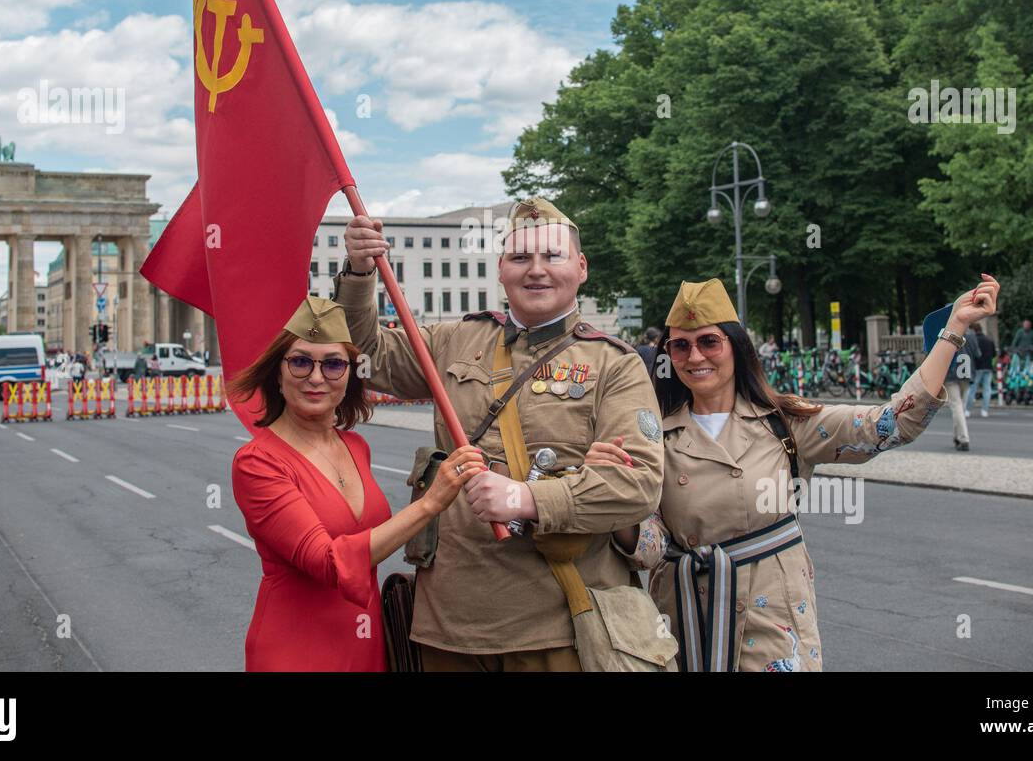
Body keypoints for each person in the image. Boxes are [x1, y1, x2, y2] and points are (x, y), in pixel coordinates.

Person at [587, 274, 999, 671]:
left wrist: (953, 330)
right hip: (684, 619)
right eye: (680, 346)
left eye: (709, 341)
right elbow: (650, 547)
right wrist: (614, 501)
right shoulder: (653, 435)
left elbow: (889, 425)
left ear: (736, 347)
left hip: (772, 626)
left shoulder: (786, 422)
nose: (695, 357)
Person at [336, 198, 665, 671]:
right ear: (500, 269)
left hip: (558, 627)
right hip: (451, 624)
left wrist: (525, 499)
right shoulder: (454, 341)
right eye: (520, 257)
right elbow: (363, 353)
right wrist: (360, 273)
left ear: (581, 266)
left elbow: (637, 487)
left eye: (551, 256)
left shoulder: (616, 364)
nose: (536, 270)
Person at [228, 297, 485, 671]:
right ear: (277, 375)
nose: (316, 377)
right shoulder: (258, 462)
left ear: (350, 375)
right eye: (300, 361)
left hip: (366, 643)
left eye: (333, 364)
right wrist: (429, 504)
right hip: (295, 650)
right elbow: (330, 564)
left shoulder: (355, 446)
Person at [964, 322, 996, 417]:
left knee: (972, 388)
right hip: (988, 367)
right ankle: (984, 411)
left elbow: (972, 353)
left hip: (977, 367)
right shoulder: (989, 340)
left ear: (973, 330)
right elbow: (994, 354)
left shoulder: (973, 340)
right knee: (987, 389)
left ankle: (968, 410)